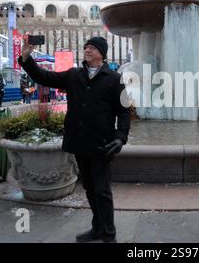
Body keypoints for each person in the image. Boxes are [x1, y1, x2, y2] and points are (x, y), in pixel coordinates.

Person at [19, 36, 130, 243]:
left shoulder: (115, 79)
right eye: (86, 47)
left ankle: (109, 235)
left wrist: (120, 137)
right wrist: (27, 58)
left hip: (102, 143)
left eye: (92, 47)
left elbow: (124, 112)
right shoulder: (73, 75)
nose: (87, 50)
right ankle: (97, 228)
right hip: (80, 141)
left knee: (102, 191)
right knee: (89, 187)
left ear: (102, 54)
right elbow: (44, 77)